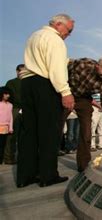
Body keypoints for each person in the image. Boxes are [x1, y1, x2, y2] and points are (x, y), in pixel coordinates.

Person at [17, 14, 75, 188]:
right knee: (49, 132)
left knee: (29, 133)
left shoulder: (34, 36)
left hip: (27, 83)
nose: (69, 34)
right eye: (69, 30)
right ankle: (47, 175)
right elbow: (56, 69)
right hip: (45, 85)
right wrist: (65, 92)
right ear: (58, 24)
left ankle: (25, 176)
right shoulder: (55, 40)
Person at [66, 57, 102, 172]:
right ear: (98, 66)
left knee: (86, 132)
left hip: (84, 99)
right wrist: (63, 93)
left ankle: (83, 165)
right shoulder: (83, 64)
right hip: (68, 93)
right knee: (55, 127)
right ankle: (49, 164)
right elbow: (64, 72)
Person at [4, 64, 26, 164]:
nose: (23, 73)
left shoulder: (28, 82)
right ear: (17, 72)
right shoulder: (11, 83)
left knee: (24, 135)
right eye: (21, 71)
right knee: (12, 134)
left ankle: (21, 157)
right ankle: (9, 157)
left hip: (26, 110)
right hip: (15, 110)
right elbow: (11, 96)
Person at [0, 87, 14, 164]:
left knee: (3, 145)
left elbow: (11, 117)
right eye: (6, 94)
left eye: (8, 94)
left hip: (5, 128)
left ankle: (1, 159)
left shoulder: (10, 105)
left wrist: (11, 127)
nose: (8, 95)